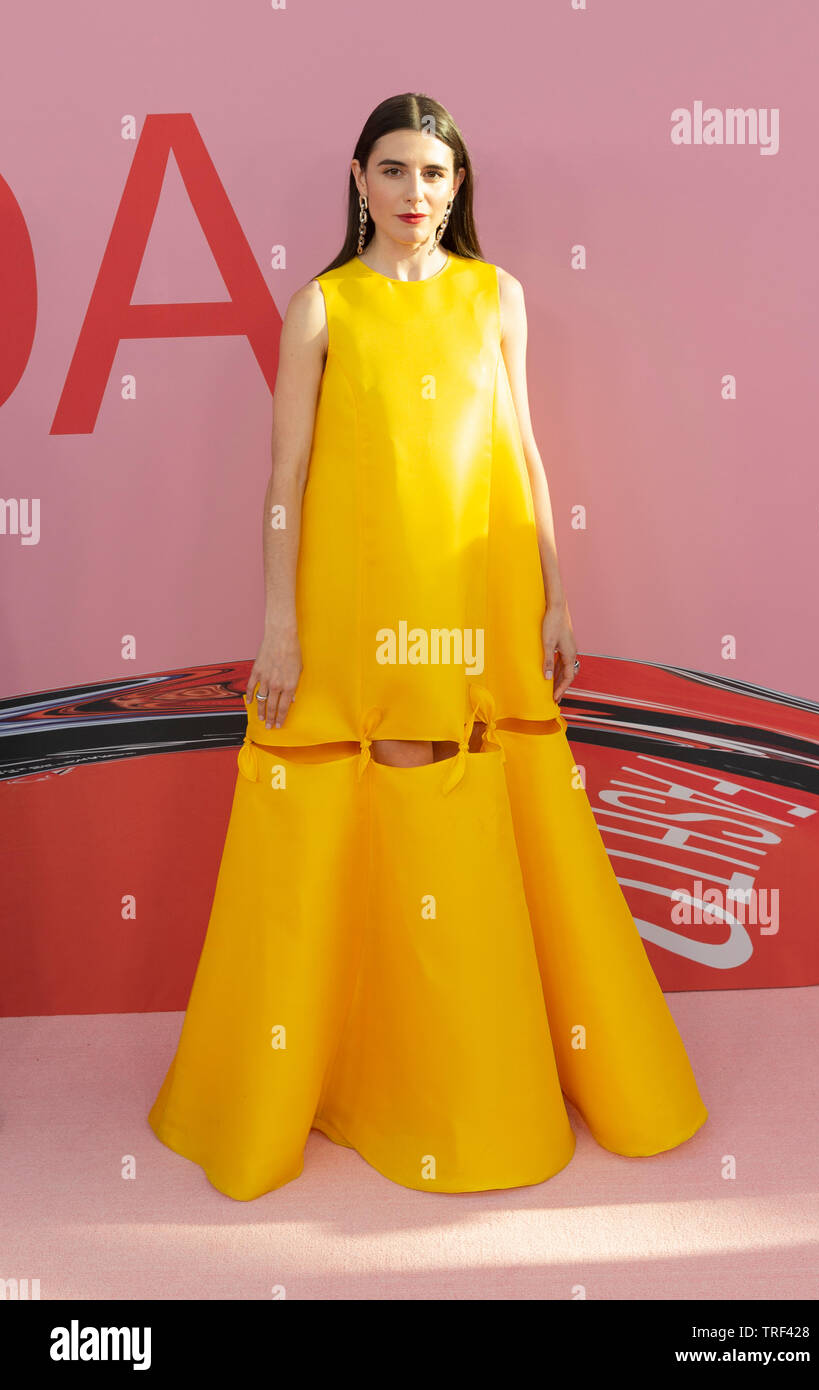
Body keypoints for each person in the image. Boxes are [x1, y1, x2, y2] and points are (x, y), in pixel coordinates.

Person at [148, 92, 708, 1201]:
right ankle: (385, 1082)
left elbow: (523, 450)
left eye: (438, 175)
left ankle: (485, 1070)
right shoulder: (321, 309)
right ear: (358, 180)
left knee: (478, 802)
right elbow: (284, 483)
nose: (418, 195)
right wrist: (277, 626)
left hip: (477, 597)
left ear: (460, 188)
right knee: (385, 808)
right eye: (397, 171)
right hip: (359, 614)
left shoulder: (496, 297)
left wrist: (554, 596)